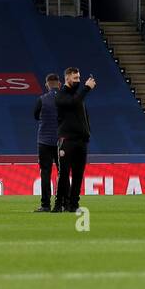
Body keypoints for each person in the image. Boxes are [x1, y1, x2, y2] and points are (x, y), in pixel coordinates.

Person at [53, 67, 95, 213]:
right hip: (67, 140)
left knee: (78, 175)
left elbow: (83, 116)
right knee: (64, 174)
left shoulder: (77, 96)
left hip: (81, 140)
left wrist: (87, 132)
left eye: (79, 78)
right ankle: (58, 205)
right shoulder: (60, 95)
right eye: (75, 78)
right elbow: (72, 103)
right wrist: (86, 89)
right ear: (67, 78)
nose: (78, 80)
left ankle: (73, 205)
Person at [32, 74, 61, 212]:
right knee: (63, 172)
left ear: (46, 85)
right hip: (61, 142)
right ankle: (62, 203)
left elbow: (36, 116)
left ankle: (45, 205)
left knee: (45, 173)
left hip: (44, 142)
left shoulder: (42, 99)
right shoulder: (65, 99)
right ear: (59, 84)